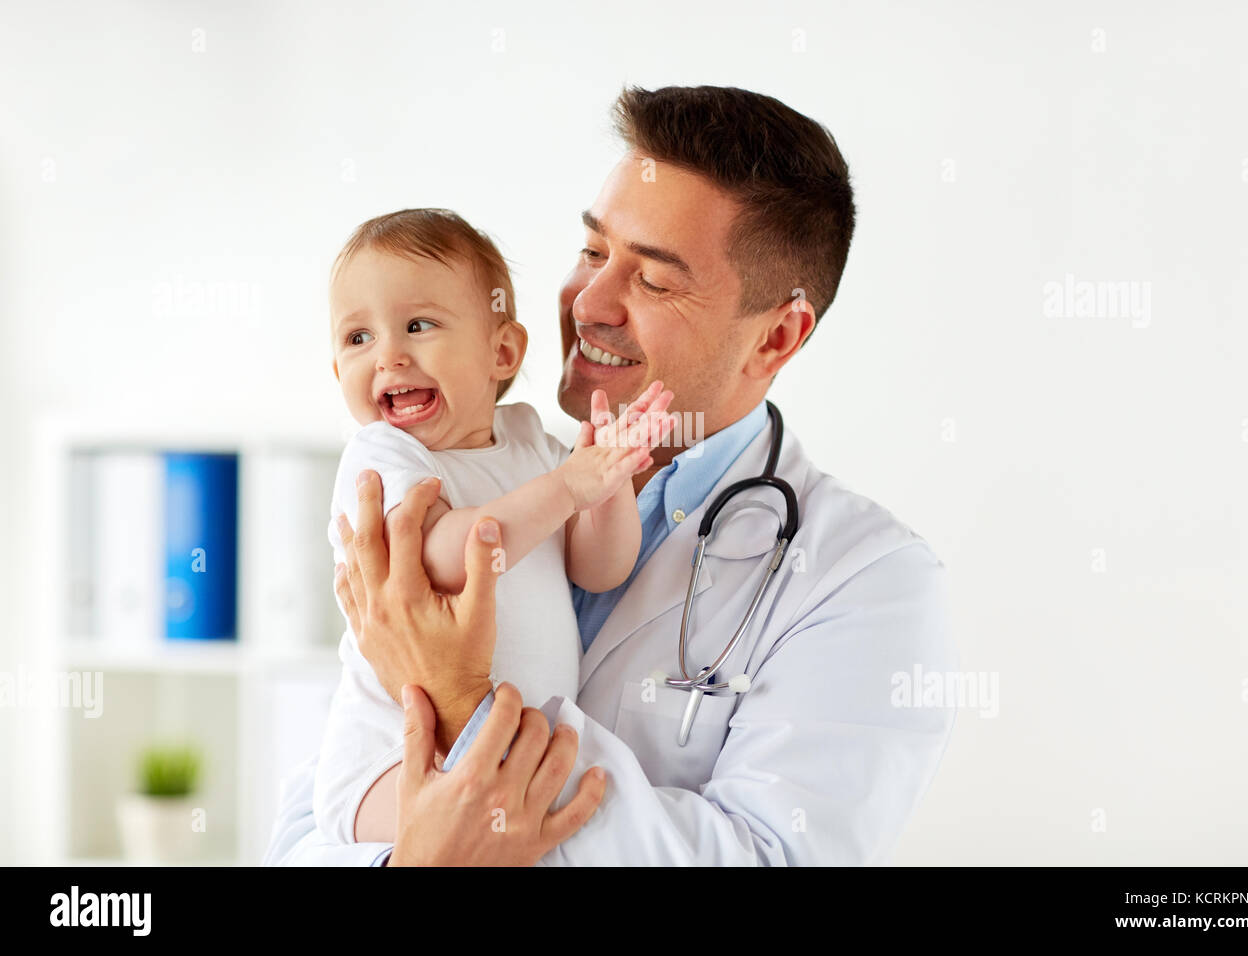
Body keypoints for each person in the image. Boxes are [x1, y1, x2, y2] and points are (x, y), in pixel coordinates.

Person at [265, 84, 957, 866]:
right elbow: (305, 832)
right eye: (593, 252)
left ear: (776, 337)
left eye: (653, 280)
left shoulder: (864, 581)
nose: (588, 302)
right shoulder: (474, 471)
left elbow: (768, 859)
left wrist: (463, 708)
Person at [315, 207, 675, 845]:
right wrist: (567, 487)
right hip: (392, 760)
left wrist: (608, 486)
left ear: (501, 351)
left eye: (418, 326)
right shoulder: (386, 456)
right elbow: (441, 558)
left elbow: (598, 567)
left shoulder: (529, 441)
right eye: (357, 338)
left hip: (505, 753)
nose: (388, 355)